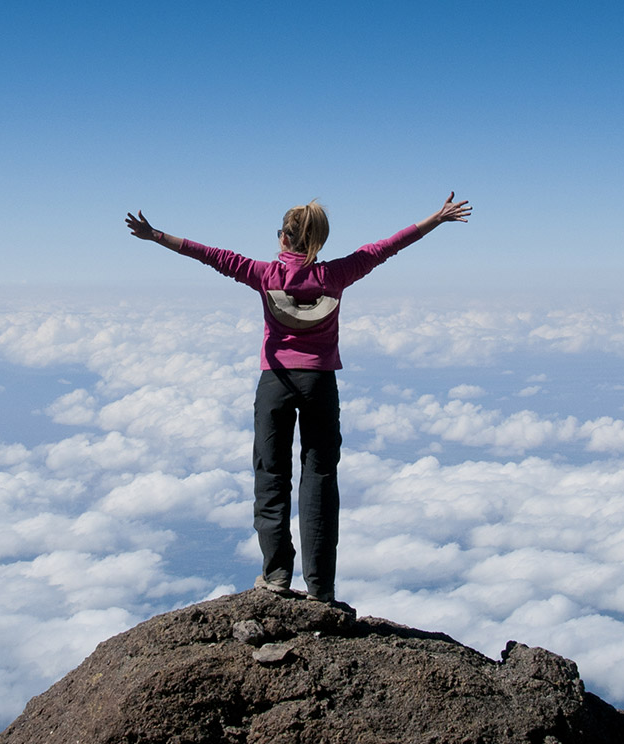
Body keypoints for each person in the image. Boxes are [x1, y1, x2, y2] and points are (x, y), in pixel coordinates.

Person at [123, 193, 473, 604]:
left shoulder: (263, 273)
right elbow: (388, 246)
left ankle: (276, 576)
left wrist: (155, 235)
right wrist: (436, 217)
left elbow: (209, 255)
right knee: (320, 480)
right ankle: (321, 588)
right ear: (317, 241)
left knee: (271, 476)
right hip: (320, 384)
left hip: (275, 383)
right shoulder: (337, 275)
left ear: (284, 238)